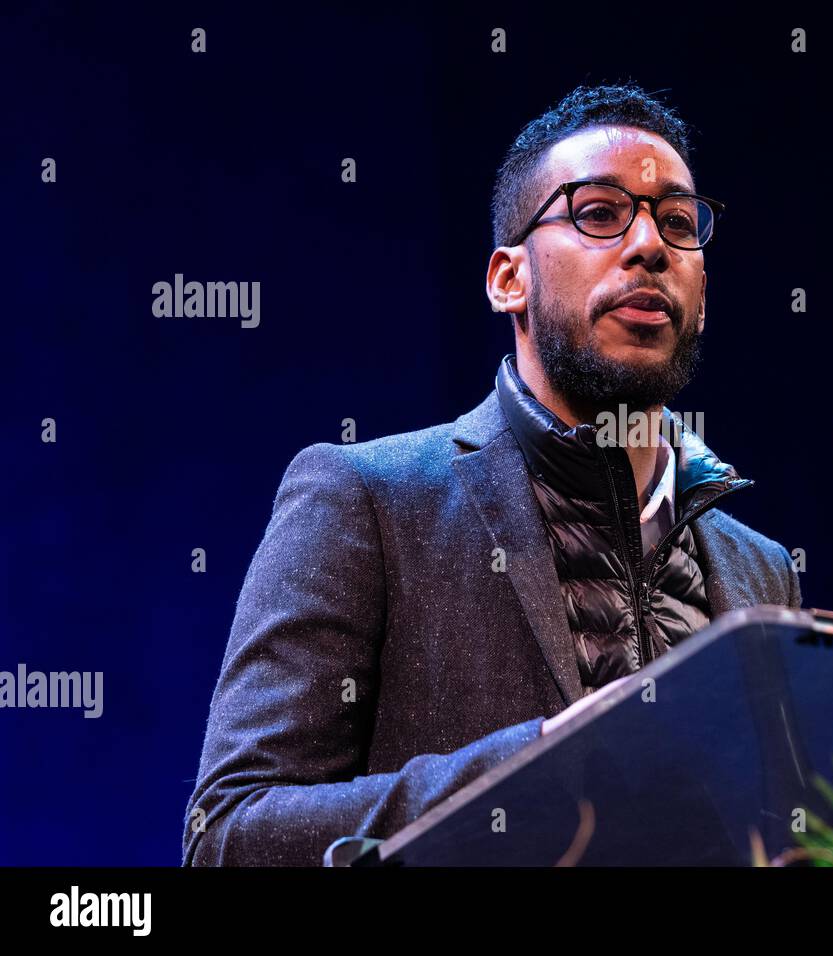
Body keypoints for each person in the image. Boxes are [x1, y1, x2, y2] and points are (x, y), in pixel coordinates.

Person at [182, 84, 801, 866]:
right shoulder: (369, 500)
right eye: (599, 213)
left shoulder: (761, 569)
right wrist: (538, 767)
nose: (650, 246)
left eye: (677, 223)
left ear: (703, 296)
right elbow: (228, 835)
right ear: (509, 278)